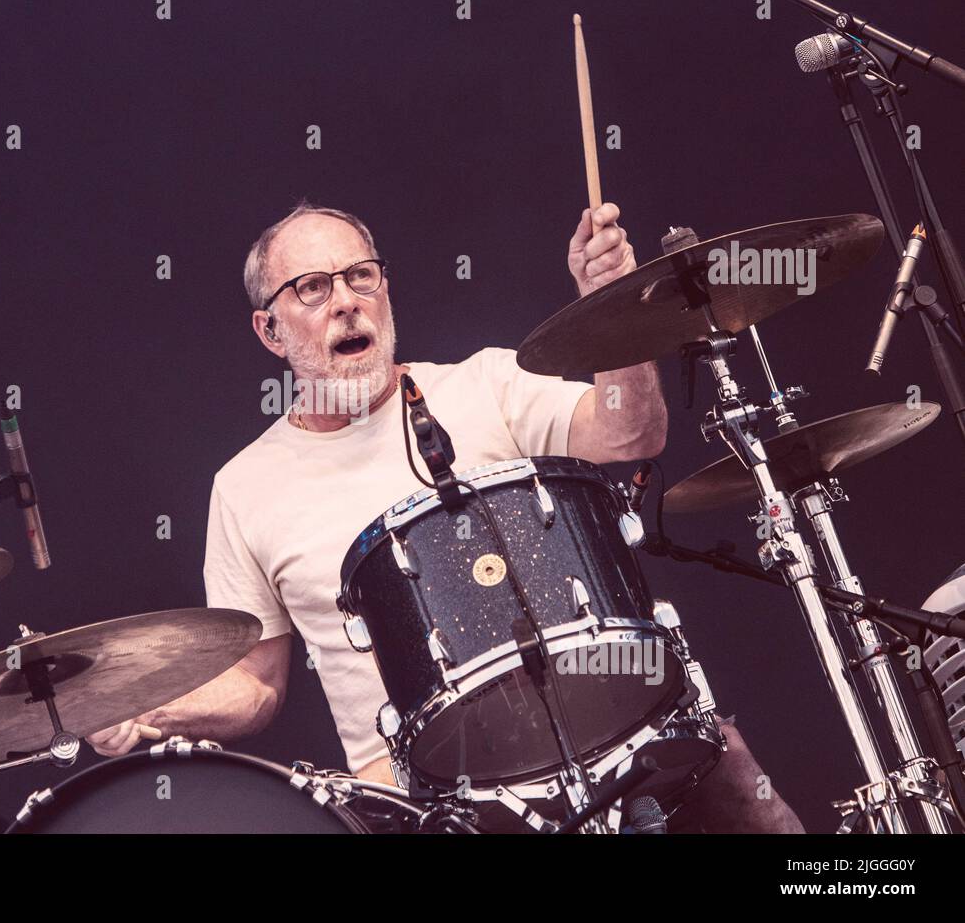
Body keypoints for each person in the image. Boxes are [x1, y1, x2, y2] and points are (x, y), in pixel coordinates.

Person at [88, 200, 804, 832]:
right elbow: (258, 687)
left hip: (590, 715)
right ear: (271, 331)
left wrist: (614, 308)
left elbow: (629, 435)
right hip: (412, 790)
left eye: (360, 275)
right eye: (312, 287)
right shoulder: (243, 487)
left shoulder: (484, 383)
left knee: (737, 777)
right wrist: (142, 706)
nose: (346, 301)